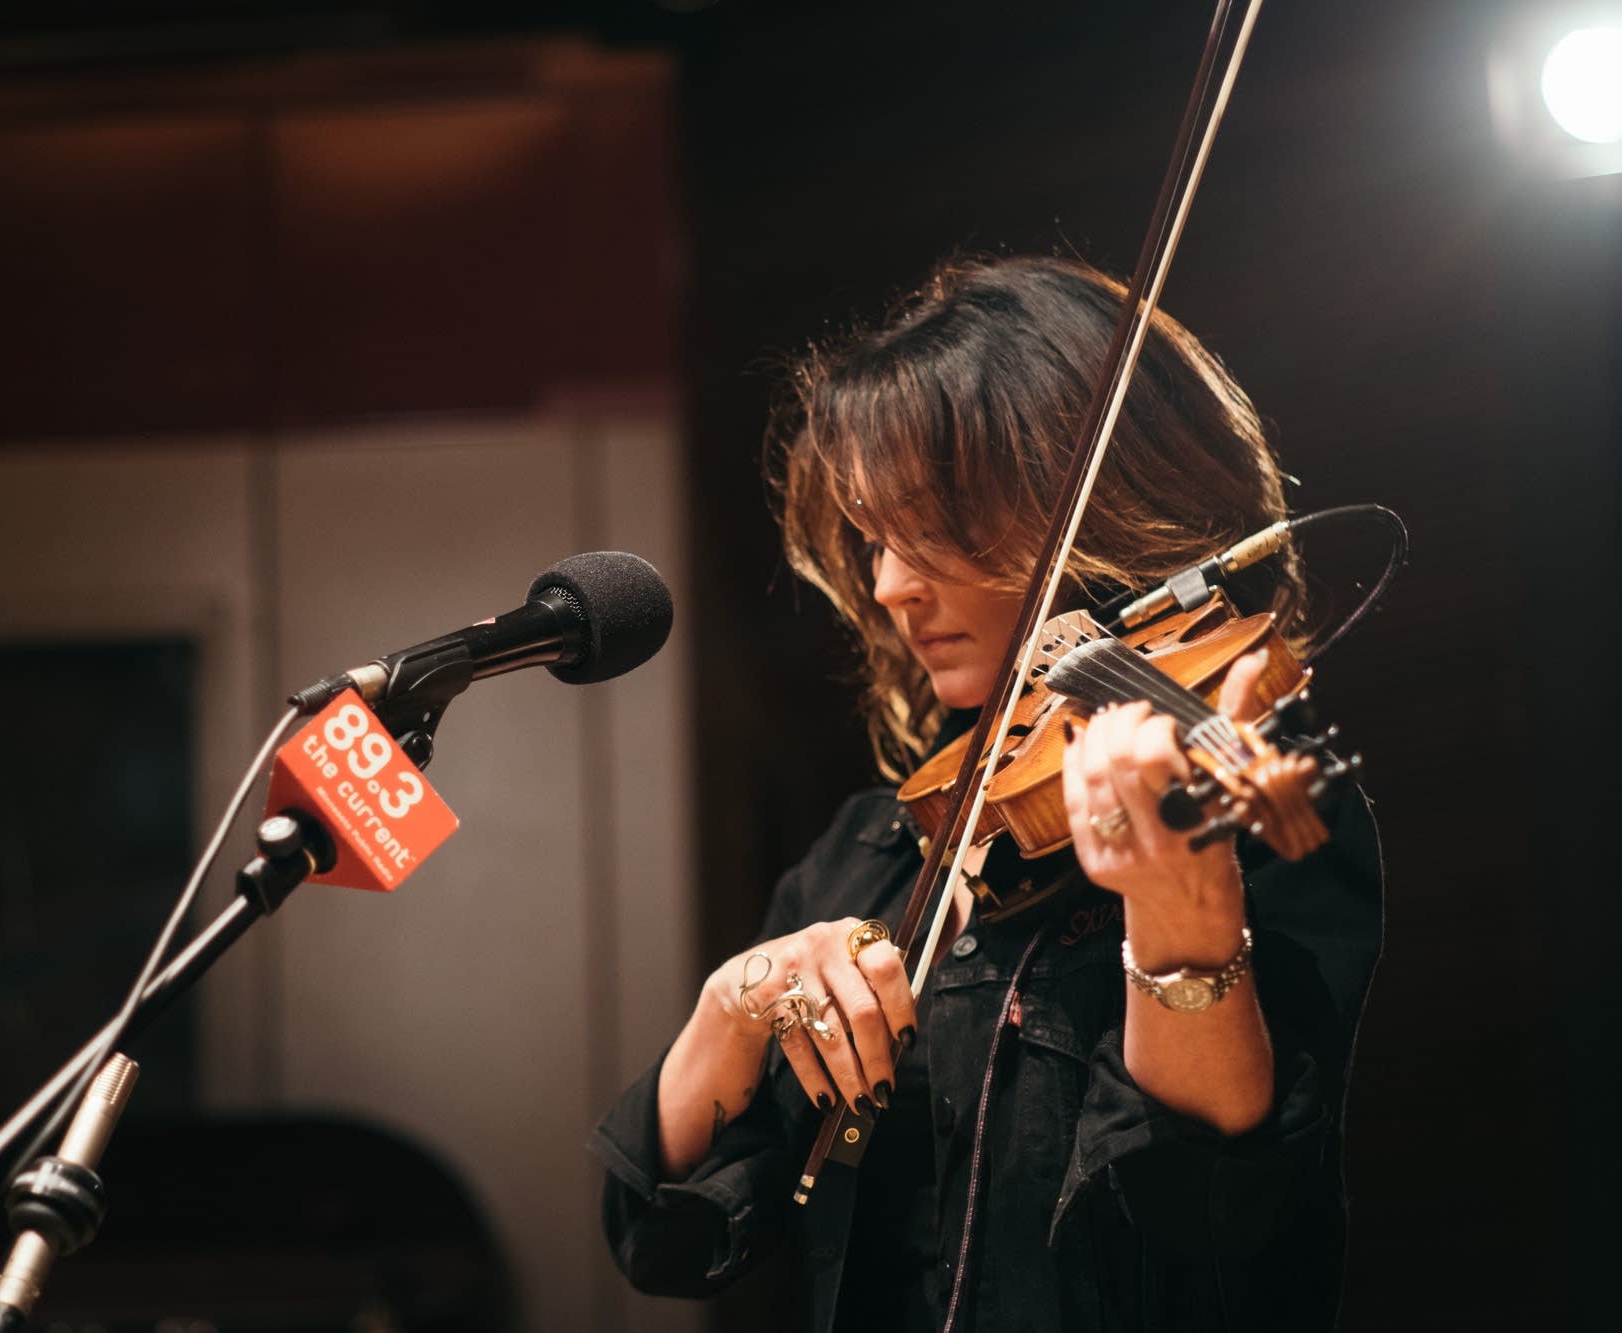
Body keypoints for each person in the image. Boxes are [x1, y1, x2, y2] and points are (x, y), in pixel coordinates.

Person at [590, 253, 1383, 1331]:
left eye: (929, 526)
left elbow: (1214, 1213)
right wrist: (735, 1004)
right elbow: (656, 1235)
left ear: (1086, 499)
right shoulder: (865, 853)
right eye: (874, 537)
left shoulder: (1247, 808)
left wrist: (1177, 908)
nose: (887, 584)